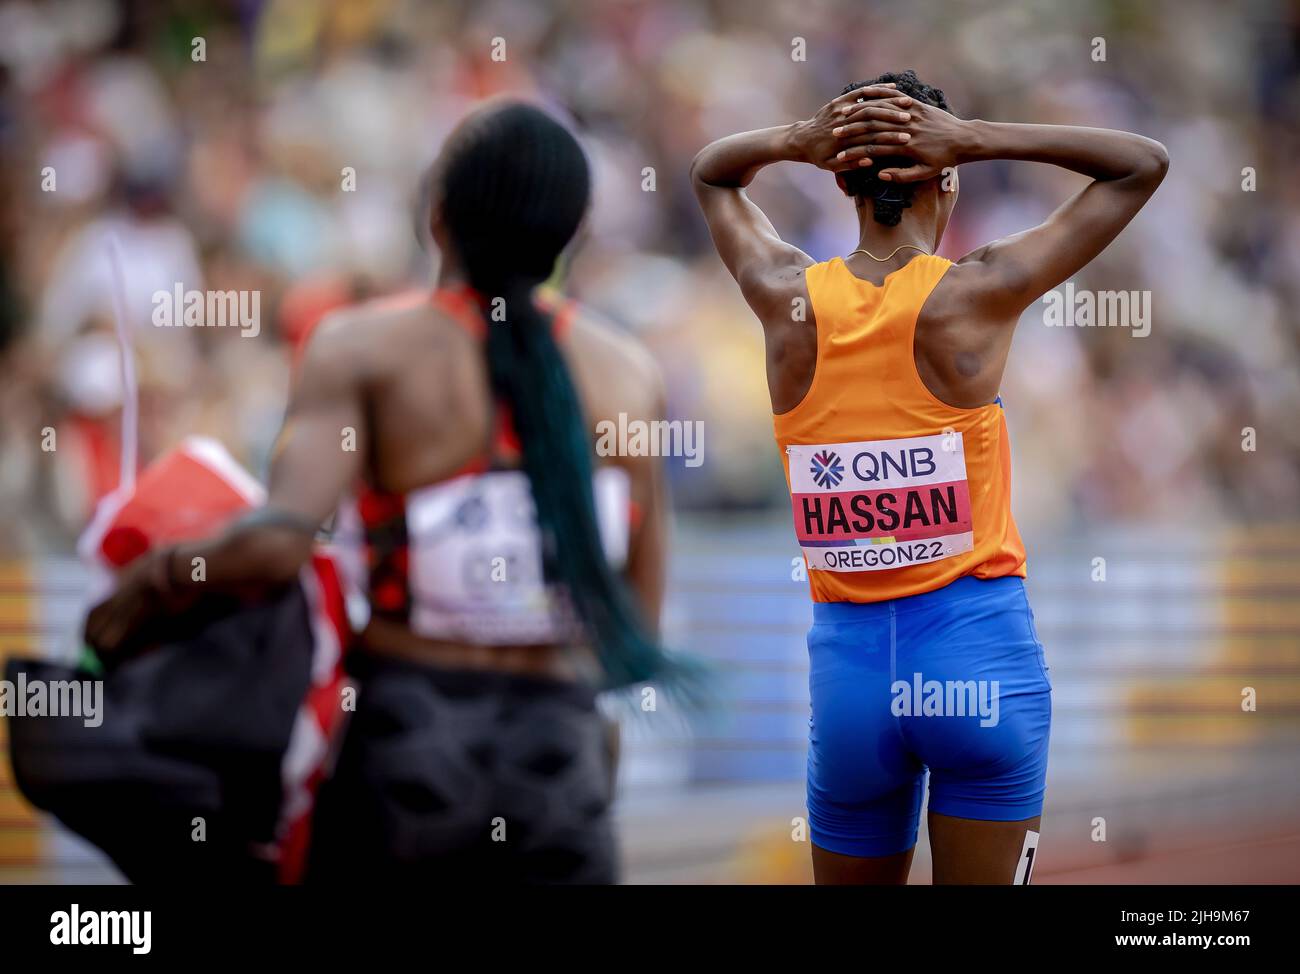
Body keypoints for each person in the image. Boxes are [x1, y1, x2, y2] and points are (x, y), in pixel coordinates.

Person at [86, 101, 674, 884]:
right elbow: (638, 623)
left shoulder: (364, 348)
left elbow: (279, 541)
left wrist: (153, 580)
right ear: (570, 235)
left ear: (437, 218)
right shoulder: (628, 373)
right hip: (560, 774)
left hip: (406, 756)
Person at [691, 69, 1167, 884]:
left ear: (841, 179)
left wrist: (796, 140)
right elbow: (1140, 163)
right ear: (944, 177)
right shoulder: (975, 294)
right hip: (980, 669)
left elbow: (711, 172)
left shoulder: (783, 299)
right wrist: (978, 138)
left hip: (851, 689)